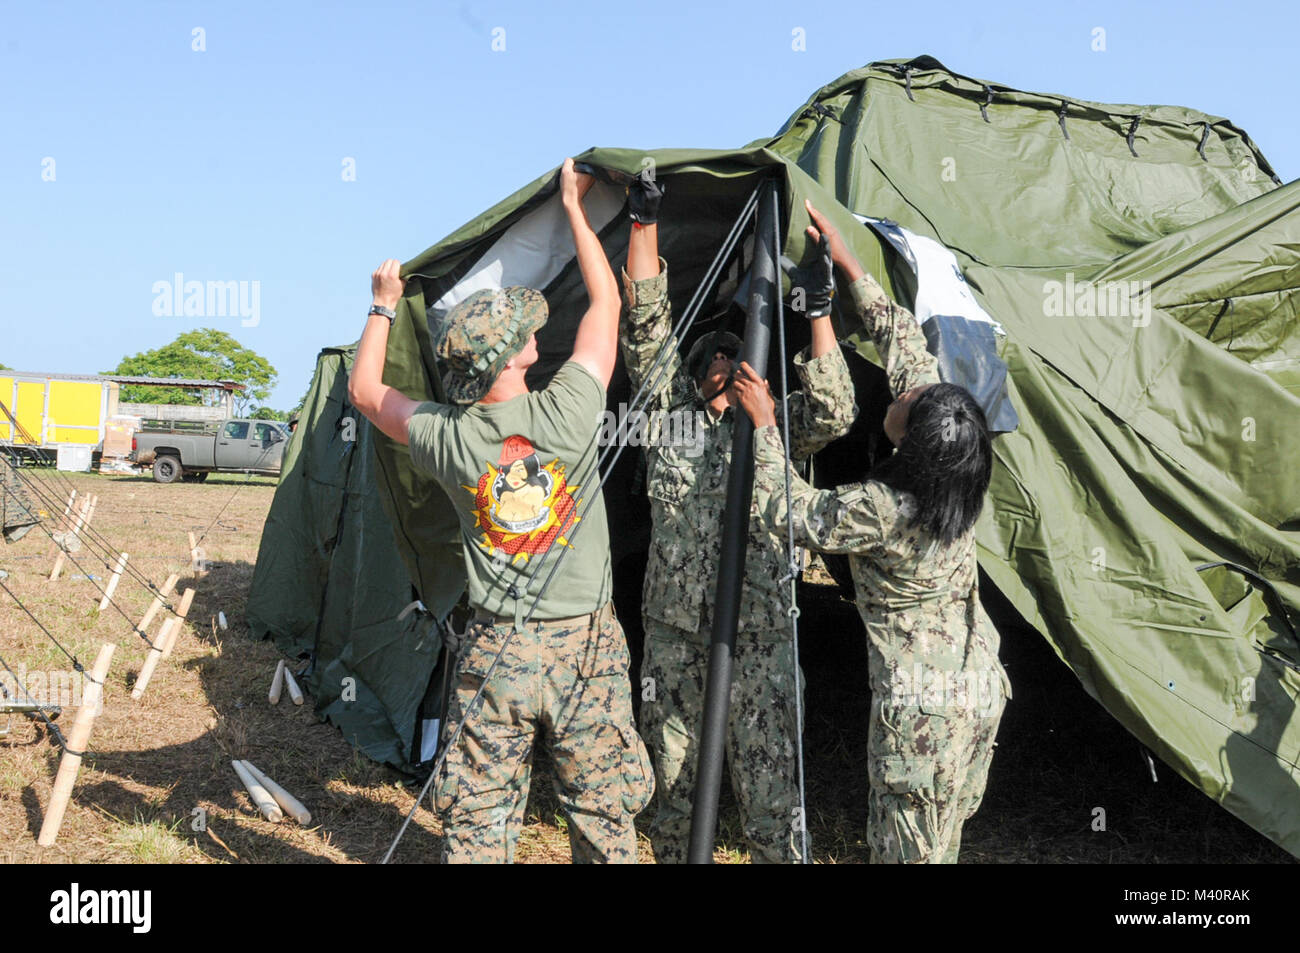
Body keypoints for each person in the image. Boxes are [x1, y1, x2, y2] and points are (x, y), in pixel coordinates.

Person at [348, 158, 653, 864]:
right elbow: (607, 305)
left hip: (496, 650)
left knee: (479, 820)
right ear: (516, 356)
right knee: (604, 816)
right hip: (585, 648)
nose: (533, 332)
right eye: (524, 329)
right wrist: (577, 211)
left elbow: (367, 393)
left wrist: (382, 302)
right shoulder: (572, 410)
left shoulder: (450, 438)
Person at [730, 199, 1011, 864]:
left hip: (922, 717)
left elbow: (785, 512)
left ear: (913, 447)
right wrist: (850, 263)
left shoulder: (884, 507)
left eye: (905, 406)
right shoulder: (957, 464)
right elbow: (908, 347)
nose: (902, 395)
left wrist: (767, 425)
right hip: (976, 690)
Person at [619, 179, 856, 863]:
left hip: (759, 639)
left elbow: (838, 409)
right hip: (677, 638)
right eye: (711, 355)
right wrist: (645, 221)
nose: (723, 357)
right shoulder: (672, 426)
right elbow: (645, 327)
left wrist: (817, 311)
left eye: (733, 350)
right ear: (695, 377)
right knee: (671, 793)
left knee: (774, 801)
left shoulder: (772, 422)